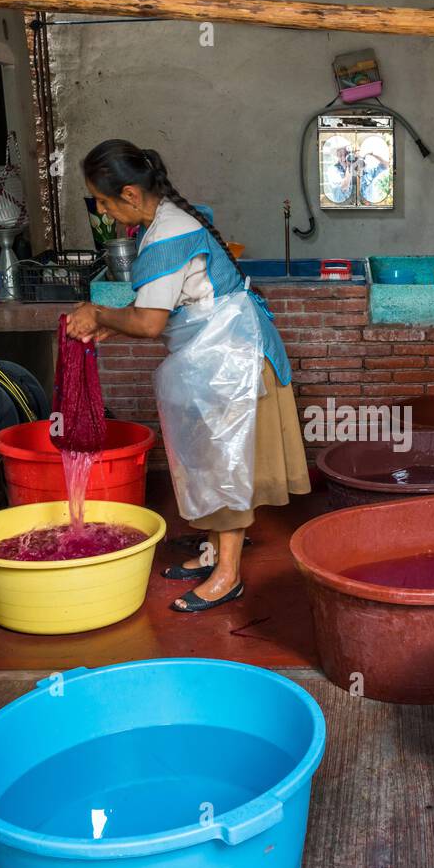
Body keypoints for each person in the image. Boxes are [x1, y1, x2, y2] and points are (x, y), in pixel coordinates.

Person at [66, 139, 310, 611]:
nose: (100, 209)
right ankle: (214, 553)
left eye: (102, 199)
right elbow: (170, 303)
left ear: (131, 195)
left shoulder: (164, 237)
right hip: (222, 350)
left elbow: (148, 322)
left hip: (231, 361)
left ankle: (228, 575)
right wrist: (113, 320)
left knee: (225, 463)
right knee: (211, 457)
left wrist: (99, 314)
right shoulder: (170, 219)